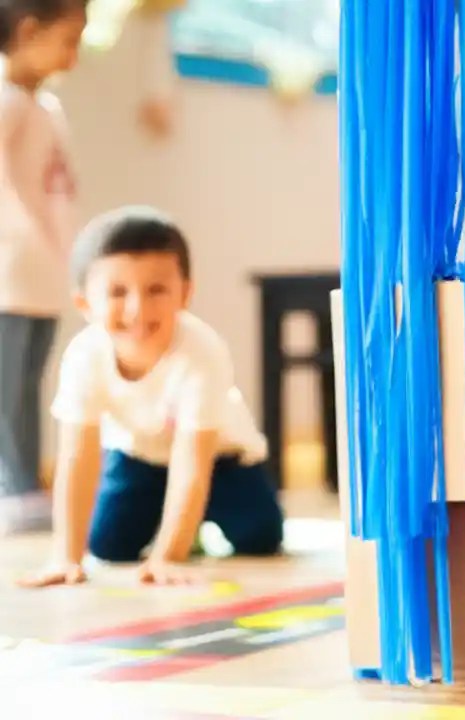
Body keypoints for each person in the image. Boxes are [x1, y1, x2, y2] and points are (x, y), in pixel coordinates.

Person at [19, 205, 284, 588]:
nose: (137, 309)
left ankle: (184, 528)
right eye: (116, 292)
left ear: (185, 293)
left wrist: (168, 557)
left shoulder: (202, 350)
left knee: (260, 537)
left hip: (223, 460)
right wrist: (66, 556)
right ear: (84, 304)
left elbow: (193, 459)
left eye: (157, 289)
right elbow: (77, 456)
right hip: (138, 457)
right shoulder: (83, 356)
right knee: (109, 545)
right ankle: (176, 522)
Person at [0, 0, 86, 535]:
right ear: (29, 31)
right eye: (69, 39)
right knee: (7, 386)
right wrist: (27, 241)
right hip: (10, 274)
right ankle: (16, 486)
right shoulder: (6, 102)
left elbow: (59, 192)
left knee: (32, 380)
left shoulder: (46, 108)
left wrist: (70, 254)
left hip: (45, 274)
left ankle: (27, 481)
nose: (75, 55)